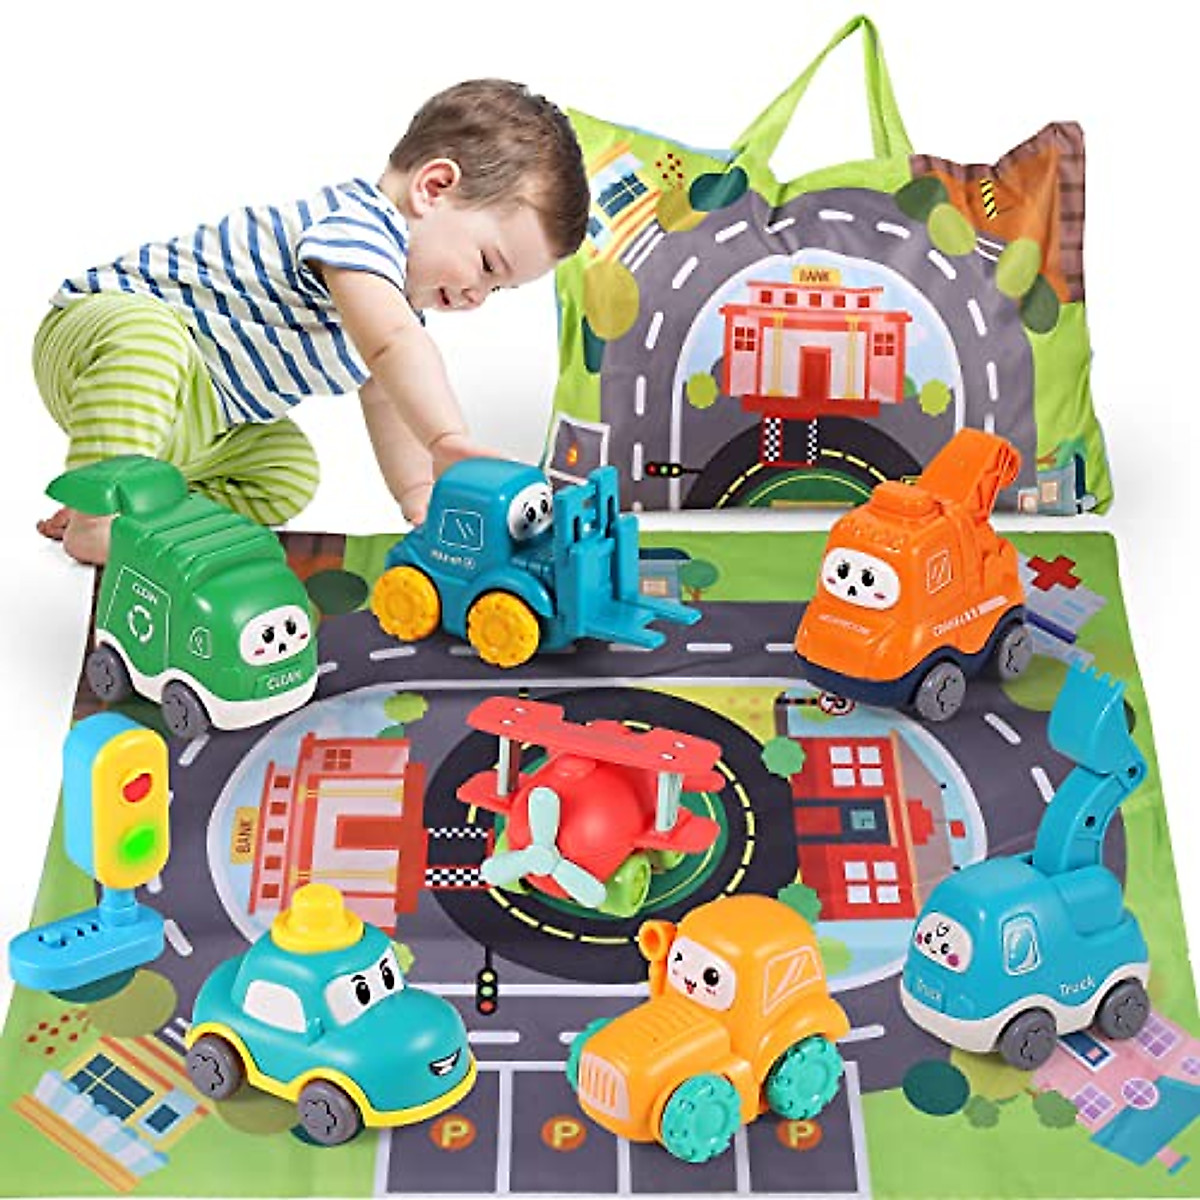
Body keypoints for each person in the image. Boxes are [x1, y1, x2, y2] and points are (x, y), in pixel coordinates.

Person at [33, 79, 591, 564]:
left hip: (195, 421)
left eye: (499, 289)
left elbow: (388, 392)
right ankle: (98, 517)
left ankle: (138, 504)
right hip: (95, 338)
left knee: (288, 472)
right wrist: (448, 438)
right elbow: (395, 347)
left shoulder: (394, 305)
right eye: (487, 265)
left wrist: (420, 496)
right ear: (434, 188)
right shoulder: (359, 228)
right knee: (150, 344)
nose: (478, 297)